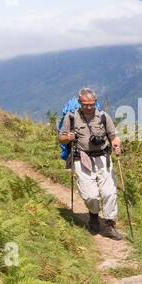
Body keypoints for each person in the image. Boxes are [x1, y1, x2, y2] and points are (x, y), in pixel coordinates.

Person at [57, 88, 123, 240]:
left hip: (103, 158)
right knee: (90, 195)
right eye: (85, 104)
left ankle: (109, 224)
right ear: (80, 102)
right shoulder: (71, 117)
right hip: (82, 158)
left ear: (95, 102)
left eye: (92, 104)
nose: (89, 107)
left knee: (109, 192)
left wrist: (116, 145)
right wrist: (68, 137)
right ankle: (93, 215)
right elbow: (61, 138)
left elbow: (113, 135)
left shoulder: (103, 117)